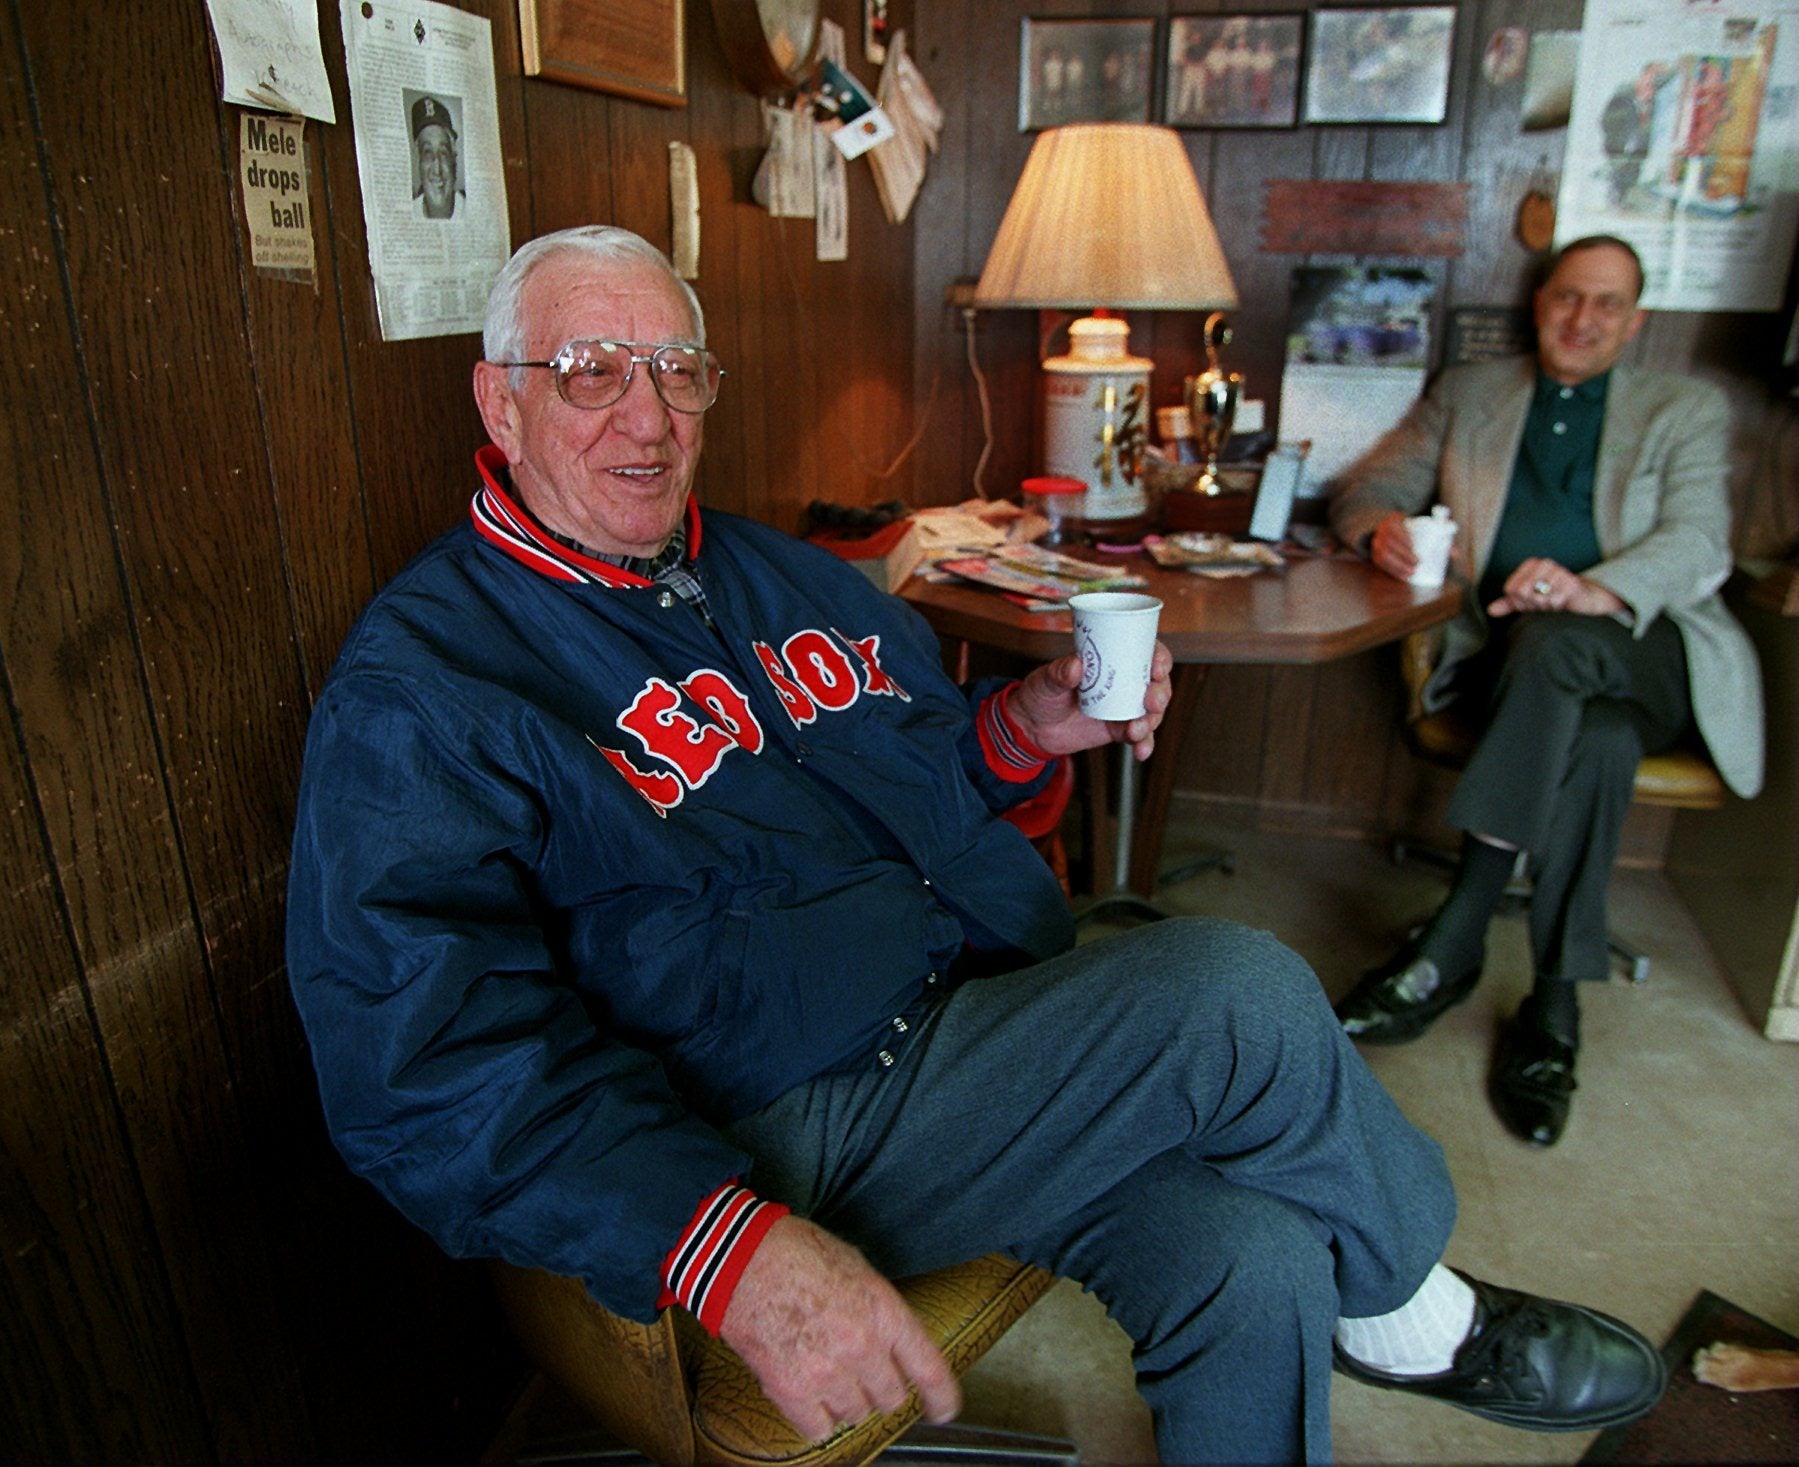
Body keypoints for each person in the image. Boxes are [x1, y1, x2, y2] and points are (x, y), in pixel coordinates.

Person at [286, 226, 1668, 1463]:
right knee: (1232, 993)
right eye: (591, 368)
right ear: (500, 396)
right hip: (782, 1111)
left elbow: (918, 762)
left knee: (1249, 1258)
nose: (645, 415)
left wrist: (1025, 722)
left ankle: (1346, 1296)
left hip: (984, 1011)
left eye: (677, 368)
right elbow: (420, 1069)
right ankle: (1418, 1307)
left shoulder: (776, 571)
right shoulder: (431, 683)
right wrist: (717, 1241)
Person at [1329, 234, 1763, 1148]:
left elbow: (1698, 541)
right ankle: (1555, 1005)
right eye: (1568, 297)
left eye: (1607, 304)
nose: (1583, 319)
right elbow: (1373, 484)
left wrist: (1592, 590)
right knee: (1591, 736)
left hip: (1646, 651)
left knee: (1563, 642)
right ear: (1539, 304)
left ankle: (1454, 936)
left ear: (1634, 320)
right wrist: (1379, 532)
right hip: (1511, 660)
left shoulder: (1680, 405)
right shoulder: (1473, 392)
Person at [411, 93, 459, 219]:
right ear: (418, 160)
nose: (437, 170)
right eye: (427, 153)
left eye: (443, 153)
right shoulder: (408, 214)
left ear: (453, 157)